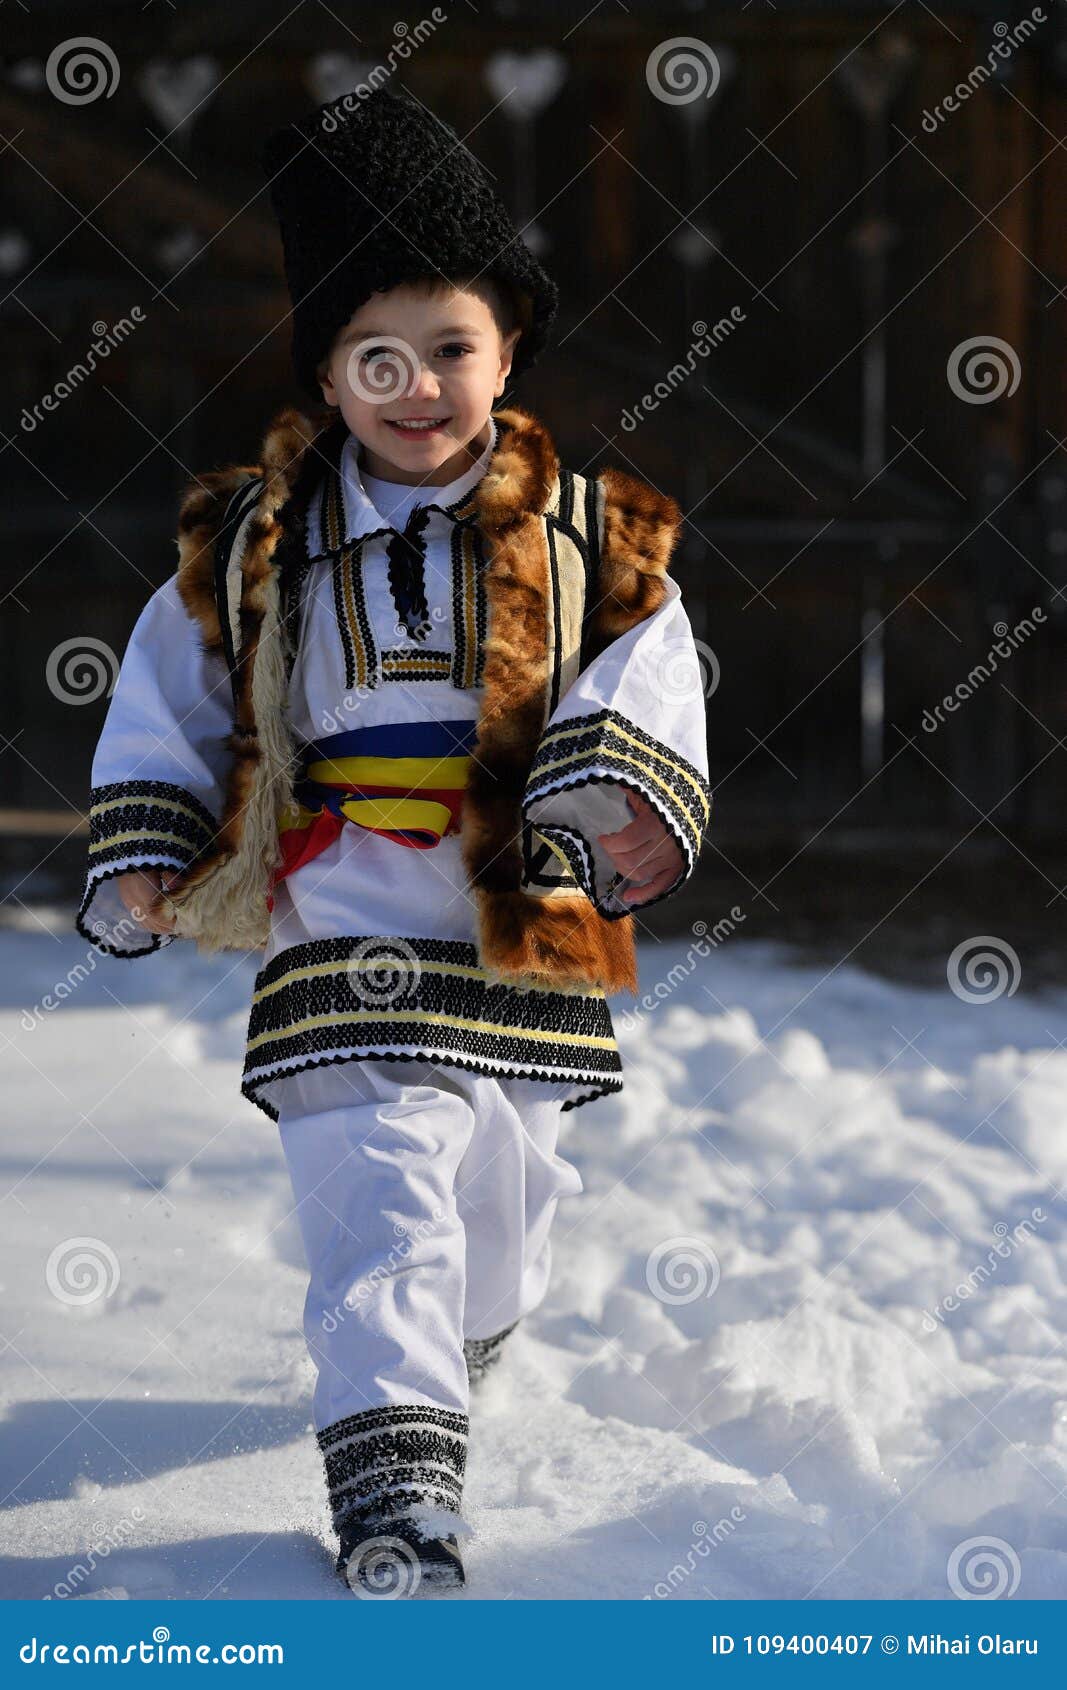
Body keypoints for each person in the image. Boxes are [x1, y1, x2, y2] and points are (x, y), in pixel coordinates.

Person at [76, 83, 711, 1598]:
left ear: (509, 349)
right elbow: (176, 692)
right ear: (329, 369)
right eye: (378, 355)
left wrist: (619, 790)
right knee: (385, 1186)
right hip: (341, 910)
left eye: (453, 347)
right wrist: (147, 844)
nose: (418, 384)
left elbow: (654, 657)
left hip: (517, 917)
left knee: (505, 1200)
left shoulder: (589, 533)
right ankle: (399, 1488)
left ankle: (457, 1339)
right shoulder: (260, 538)